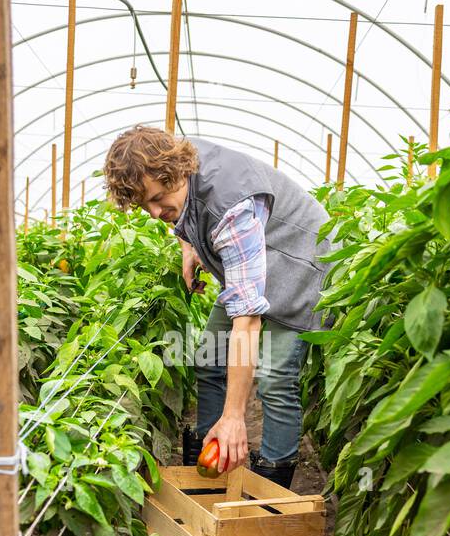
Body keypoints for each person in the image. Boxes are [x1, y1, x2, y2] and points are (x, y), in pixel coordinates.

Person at [103, 125, 334, 489]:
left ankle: (268, 493)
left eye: (158, 198)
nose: (152, 212)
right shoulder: (179, 166)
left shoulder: (232, 207)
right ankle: (206, 472)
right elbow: (183, 213)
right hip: (253, 266)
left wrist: (235, 416)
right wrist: (188, 247)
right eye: (144, 203)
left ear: (175, 171)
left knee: (274, 379)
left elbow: (247, 322)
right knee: (208, 357)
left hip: (301, 269)